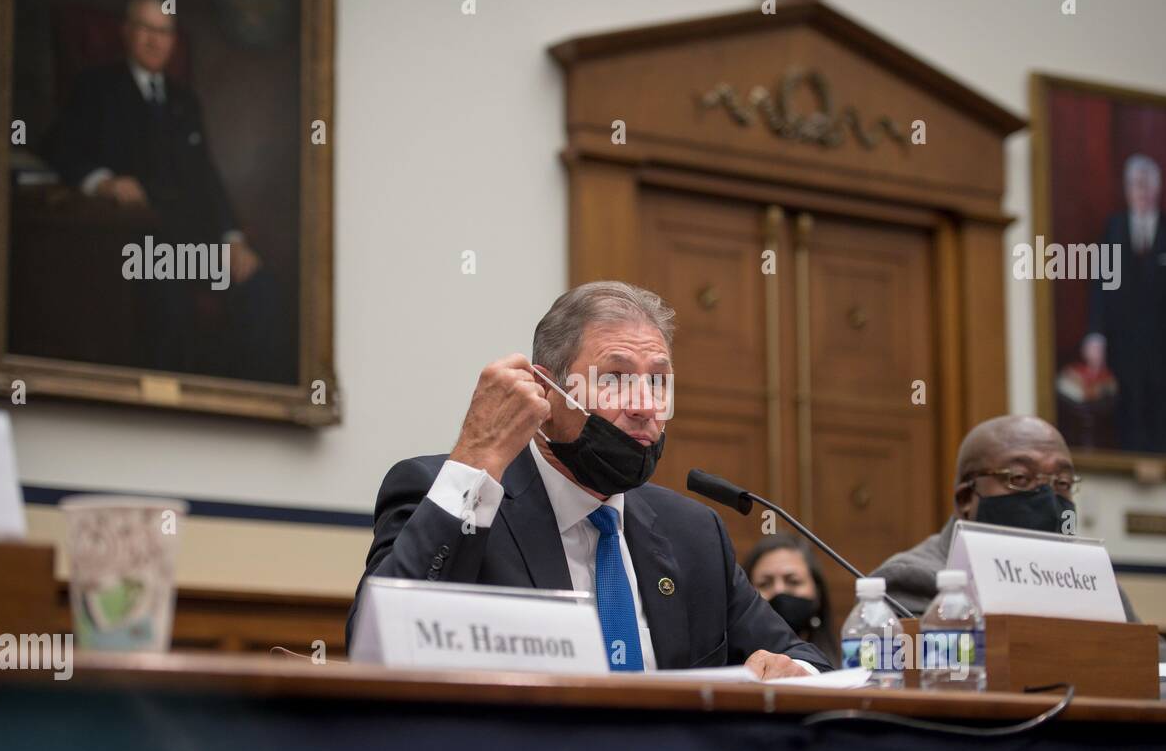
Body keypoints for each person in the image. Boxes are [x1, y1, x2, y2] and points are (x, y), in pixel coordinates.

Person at [350, 281, 829, 677]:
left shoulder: (693, 533)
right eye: (615, 379)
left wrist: (791, 673)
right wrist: (475, 458)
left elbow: (811, 663)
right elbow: (375, 649)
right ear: (545, 393)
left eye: (658, 381)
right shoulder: (451, 493)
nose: (645, 406)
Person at [869, 414, 1166, 675]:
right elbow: (896, 673)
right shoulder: (915, 577)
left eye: (1062, 482)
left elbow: (1151, 656)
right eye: (1019, 477)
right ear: (966, 498)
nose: (1047, 496)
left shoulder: (1083, 575)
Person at [41, 0, 286, 382]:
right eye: (146, 29)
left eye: (165, 31)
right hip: (136, 244)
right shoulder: (97, 87)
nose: (156, 40)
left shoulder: (184, 100)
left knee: (263, 290)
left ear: (173, 40)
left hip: (197, 244)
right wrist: (101, 181)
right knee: (169, 303)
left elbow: (206, 176)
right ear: (126, 33)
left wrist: (232, 237)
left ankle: (242, 405)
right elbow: (58, 146)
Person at [1083, 154, 1166, 454]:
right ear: (1127, 189)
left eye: (1147, 185)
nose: (1141, 191)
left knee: (1165, 424)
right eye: (1135, 185)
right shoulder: (1113, 230)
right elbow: (1101, 287)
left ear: (1157, 189)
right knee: (1128, 419)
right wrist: (1096, 335)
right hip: (1124, 349)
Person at [743, 534, 841, 668]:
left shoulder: (848, 665)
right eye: (765, 583)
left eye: (793, 581)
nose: (779, 590)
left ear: (817, 592)